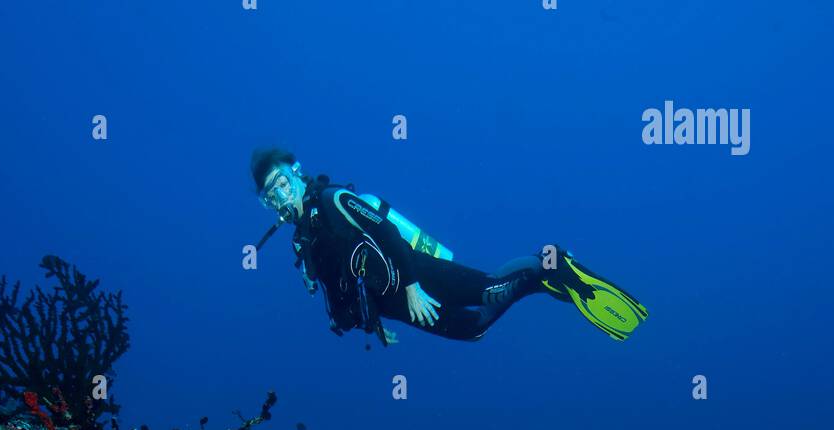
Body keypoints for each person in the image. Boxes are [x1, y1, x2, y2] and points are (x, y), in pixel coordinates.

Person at [251, 147, 648, 346]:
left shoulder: (334, 201)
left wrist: (411, 285)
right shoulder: (306, 240)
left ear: (297, 173)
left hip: (417, 277)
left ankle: (548, 263)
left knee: (492, 291)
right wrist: (375, 324)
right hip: (397, 305)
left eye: (282, 183)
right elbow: (345, 289)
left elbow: (387, 234)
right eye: (270, 195)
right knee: (474, 331)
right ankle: (544, 279)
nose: (280, 197)